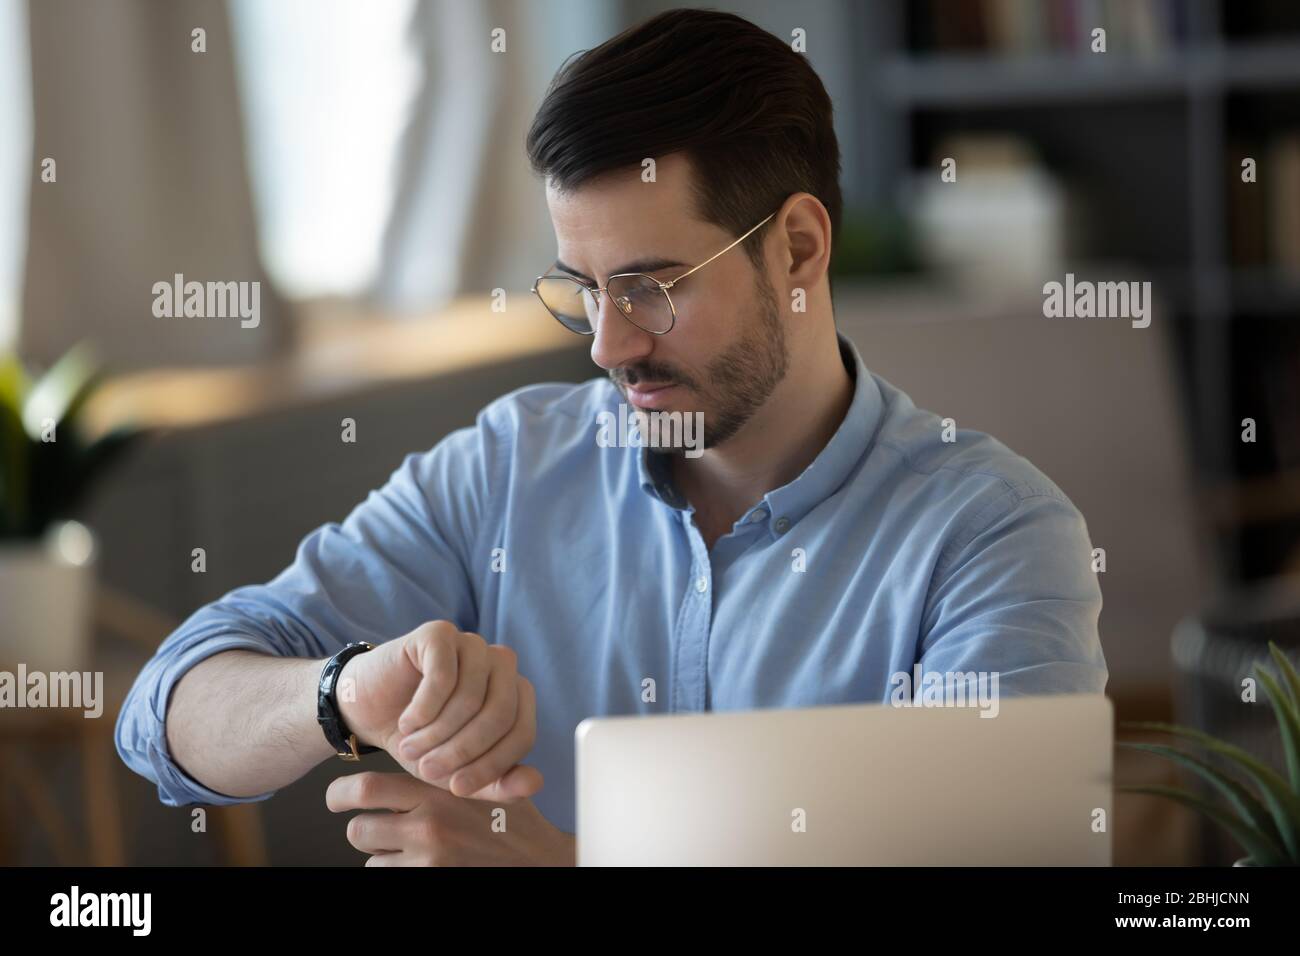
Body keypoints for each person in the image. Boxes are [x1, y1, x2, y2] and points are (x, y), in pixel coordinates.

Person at [116, 8, 1107, 866]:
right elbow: (160, 716)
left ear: (797, 247)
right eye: (583, 289)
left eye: (650, 286)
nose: (605, 344)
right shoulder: (507, 468)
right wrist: (341, 695)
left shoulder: (991, 536)